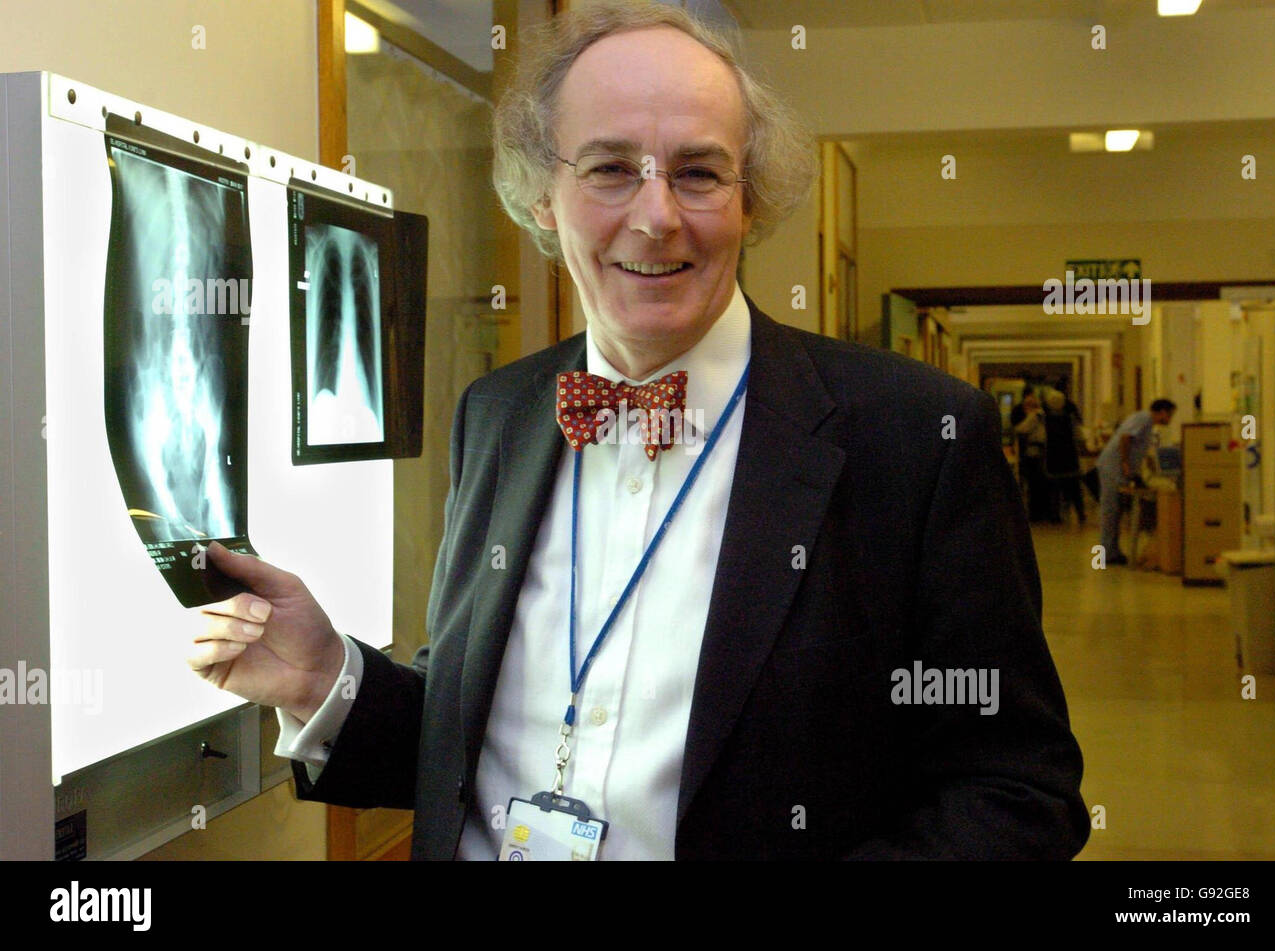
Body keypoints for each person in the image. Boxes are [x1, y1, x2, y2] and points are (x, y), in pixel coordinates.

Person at [188, 0, 1087, 860]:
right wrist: (323, 681)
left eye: (698, 171)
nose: (656, 217)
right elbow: (470, 739)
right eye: (610, 168)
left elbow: (1017, 793)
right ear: (543, 195)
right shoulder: (497, 416)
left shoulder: (915, 439)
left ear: (751, 199)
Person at [1096, 398, 1177, 565]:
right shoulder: (1143, 418)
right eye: (1170, 415)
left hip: (1118, 470)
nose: (1170, 419)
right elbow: (1125, 438)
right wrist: (1125, 463)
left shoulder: (1148, 426)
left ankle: (1113, 551)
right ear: (1162, 412)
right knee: (1110, 511)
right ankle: (1107, 553)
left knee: (1116, 512)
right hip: (1112, 469)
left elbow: (1140, 450)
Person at [1043, 388, 1085, 525]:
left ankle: (1055, 515)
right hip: (1070, 457)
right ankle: (1081, 514)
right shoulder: (1071, 418)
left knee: (1054, 489)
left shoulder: (1044, 419)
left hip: (1053, 457)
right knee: (1075, 488)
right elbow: (1079, 435)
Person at [1010, 390, 1052, 522]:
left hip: (1033, 453)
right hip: (1044, 454)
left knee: (1034, 485)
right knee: (1041, 485)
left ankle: (1036, 513)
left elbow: (1021, 429)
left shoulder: (1035, 416)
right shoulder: (1045, 415)